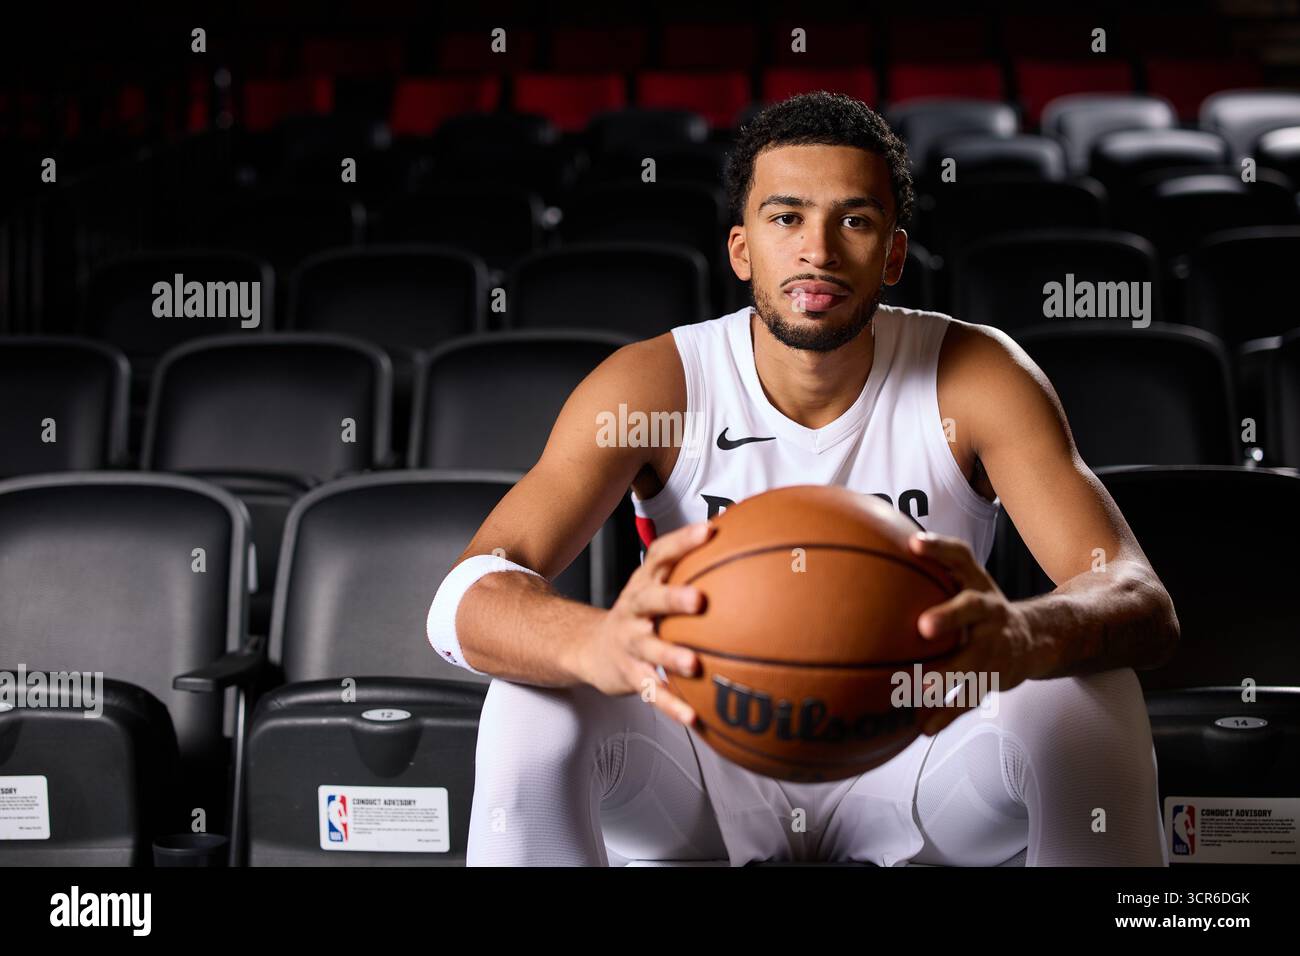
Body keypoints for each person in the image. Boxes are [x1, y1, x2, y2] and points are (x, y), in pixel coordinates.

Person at [427, 91, 1179, 866]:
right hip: (699, 754)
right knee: (528, 704)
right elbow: (465, 594)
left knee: (1089, 691)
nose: (816, 250)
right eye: (786, 218)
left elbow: (1139, 599)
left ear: (892, 252)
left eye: (853, 220)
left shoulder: (976, 375)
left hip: (916, 746)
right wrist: (598, 641)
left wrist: (1022, 634)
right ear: (742, 247)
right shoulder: (655, 383)